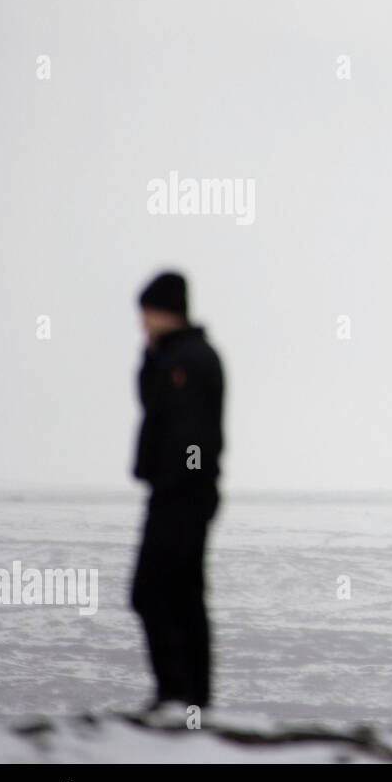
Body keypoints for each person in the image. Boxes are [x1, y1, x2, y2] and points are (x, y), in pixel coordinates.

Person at [131, 271, 224, 714]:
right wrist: (151, 361)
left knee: (152, 590)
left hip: (182, 494)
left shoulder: (190, 361)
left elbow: (193, 436)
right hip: (182, 491)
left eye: (146, 314)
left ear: (164, 312)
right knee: (183, 594)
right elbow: (154, 408)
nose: (141, 323)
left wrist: (181, 478)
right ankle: (192, 699)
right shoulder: (173, 358)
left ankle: (178, 695)